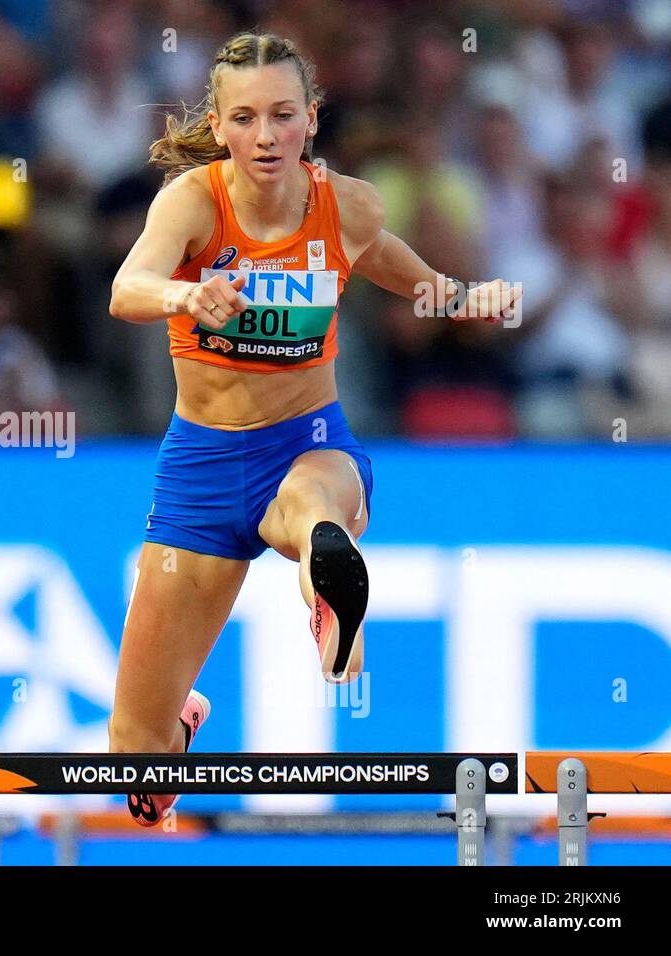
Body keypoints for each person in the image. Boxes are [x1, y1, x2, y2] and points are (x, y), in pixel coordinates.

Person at [107, 32, 518, 826]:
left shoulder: (346, 206)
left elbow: (391, 261)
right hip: (201, 473)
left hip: (308, 445)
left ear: (312, 121)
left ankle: (332, 603)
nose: (267, 136)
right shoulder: (193, 203)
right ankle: (178, 724)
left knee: (317, 516)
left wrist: (457, 297)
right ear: (221, 127)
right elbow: (128, 286)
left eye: (284, 116)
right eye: (248, 119)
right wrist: (187, 298)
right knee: (133, 763)